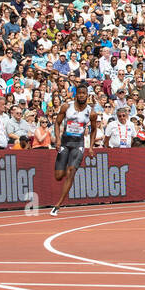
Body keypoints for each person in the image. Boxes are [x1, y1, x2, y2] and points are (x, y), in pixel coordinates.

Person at [50, 82, 96, 216]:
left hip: (78, 144)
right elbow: (57, 123)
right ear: (76, 94)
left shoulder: (91, 113)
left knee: (71, 172)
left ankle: (58, 205)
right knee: (59, 176)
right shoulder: (66, 107)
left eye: (84, 94)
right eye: (79, 93)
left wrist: (91, 147)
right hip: (65, 142)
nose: (81, 95)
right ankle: (66, 166)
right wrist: (58, 139)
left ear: (87, 96)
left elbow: (94, 130)